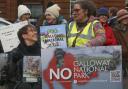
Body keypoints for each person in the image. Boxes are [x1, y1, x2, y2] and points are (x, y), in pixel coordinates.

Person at [6, 24, 41, 89]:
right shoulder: (16, 53)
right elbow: (11, 77)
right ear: (24, 36)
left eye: (35, 31)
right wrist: (20, 85)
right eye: (31, 31)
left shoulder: (44, 49)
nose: (35, 32)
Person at [113, 9, 128, 77]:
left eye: (127, 18)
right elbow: (115, 44)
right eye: (124, 18)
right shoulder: (115, 30)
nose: (126, 19)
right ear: (120, 20)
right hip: (122, 58)